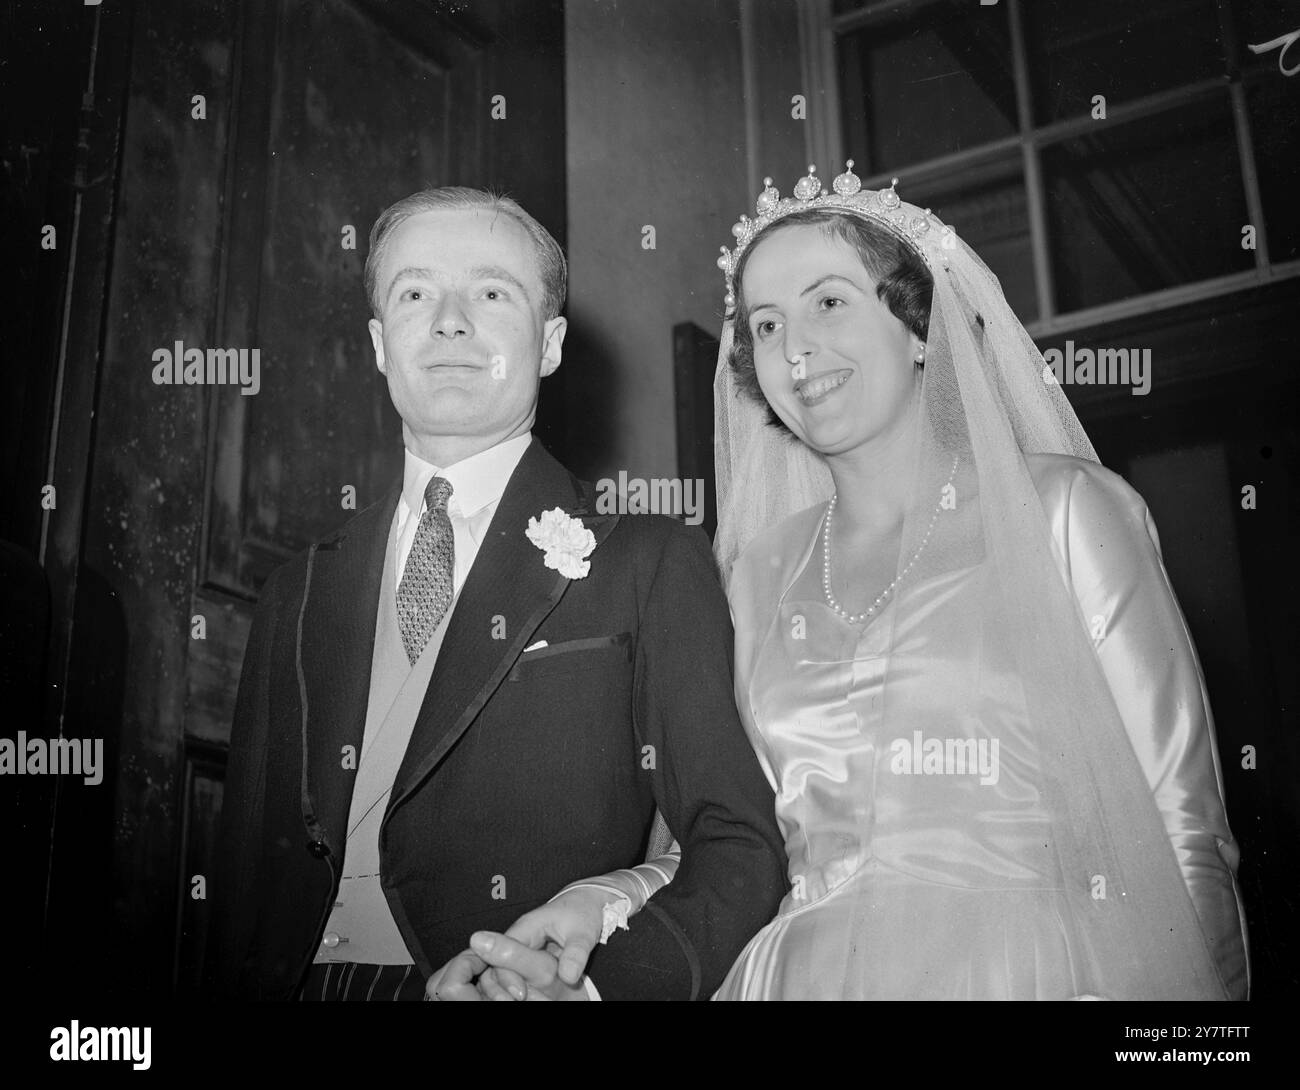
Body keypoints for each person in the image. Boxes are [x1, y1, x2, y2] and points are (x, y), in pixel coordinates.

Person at [479, 161, 1249, 1001]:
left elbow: (1182, 827)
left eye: (829, 303)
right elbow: (737, 840)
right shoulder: (749, 576)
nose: (795, 347)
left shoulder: (1065, 512)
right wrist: (604, 901)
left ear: (921, 325)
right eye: (765, 326)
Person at [205, 186, 786, 1002]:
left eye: (489, 292)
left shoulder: (650, 560)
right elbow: (239, 875)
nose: (448, 320)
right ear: (379, 343)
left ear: (549, 344)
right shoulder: (295, 589)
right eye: (414, 293)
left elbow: (739, 842)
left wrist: (592, 992)